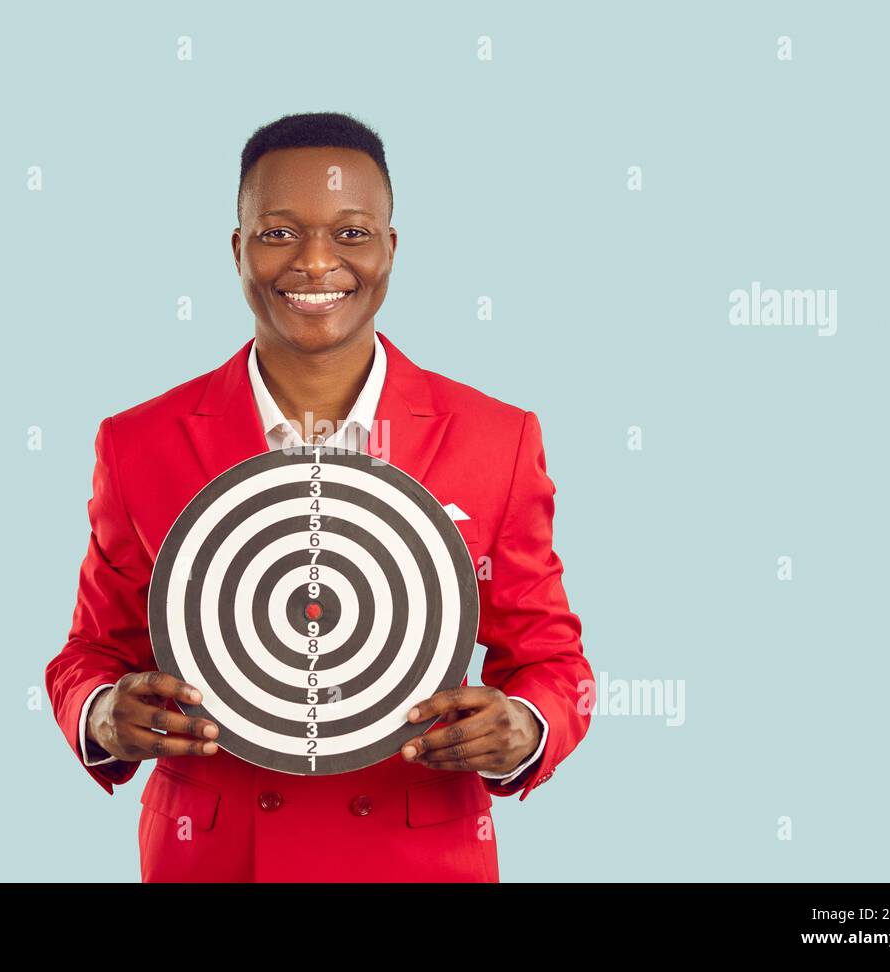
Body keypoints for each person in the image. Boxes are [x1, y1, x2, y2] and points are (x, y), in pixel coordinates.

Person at [45, 111, 593, 882]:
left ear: (390, 250)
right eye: (277, 234)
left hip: (417, 858)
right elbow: (91, 654)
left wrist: (525, 727)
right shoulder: (139, 442)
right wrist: (102, 713)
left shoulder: (496, 439)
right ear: (236, 250)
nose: (315, 262)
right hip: (215, 860)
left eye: (351, 233)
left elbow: (551, 659)